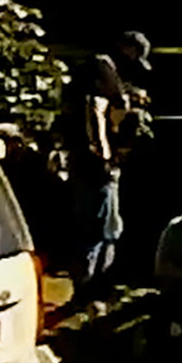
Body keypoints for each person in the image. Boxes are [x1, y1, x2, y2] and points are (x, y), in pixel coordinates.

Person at [60, 52, 128, 292]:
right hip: (98, 171)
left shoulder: (72, 100)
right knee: (105, 228)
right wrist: (107, 160)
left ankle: (84, 281)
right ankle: (94, 283)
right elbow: (98, 135)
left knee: (86, 227)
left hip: (79, 168)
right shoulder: (95, 101)